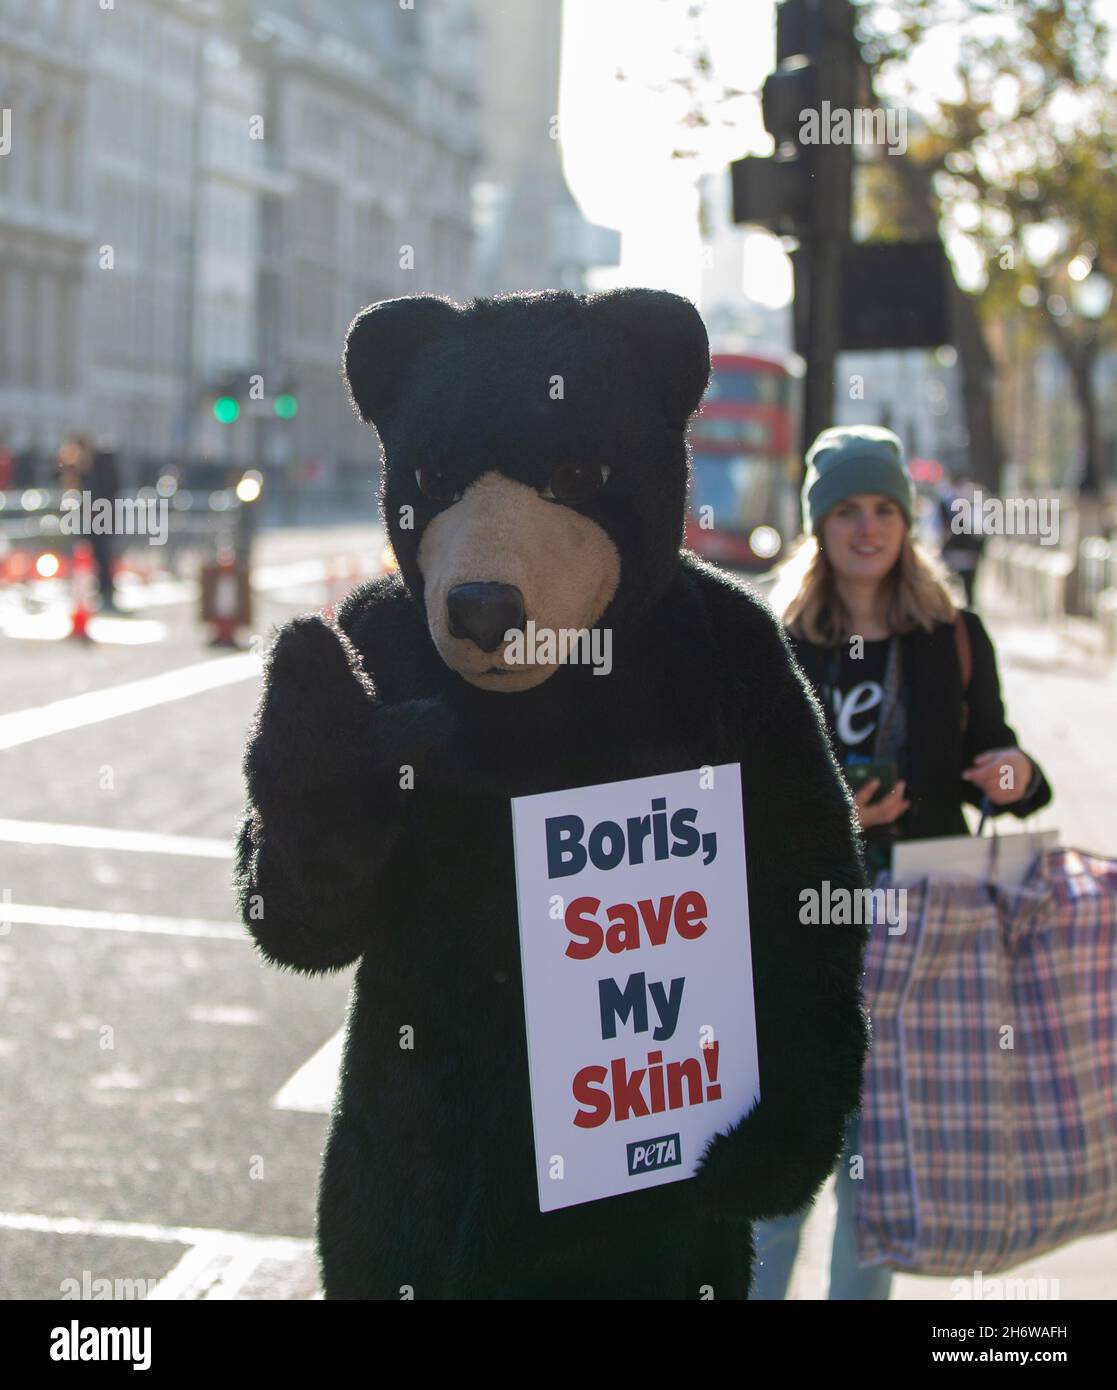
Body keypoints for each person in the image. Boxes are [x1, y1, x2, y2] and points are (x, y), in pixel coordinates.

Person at [752, 426, 1052, 1300]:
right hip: (805, 929)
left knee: (875, 1177)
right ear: (819, 524)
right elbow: (737, 792)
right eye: (846, 509)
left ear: (906, 521)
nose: (867, 527)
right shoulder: (778, 644)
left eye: (884, 508)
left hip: (926, 919)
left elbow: (999, 758)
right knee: (780, 1174)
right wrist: (832, 818)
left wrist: (1015, 773)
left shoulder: (950, 635)